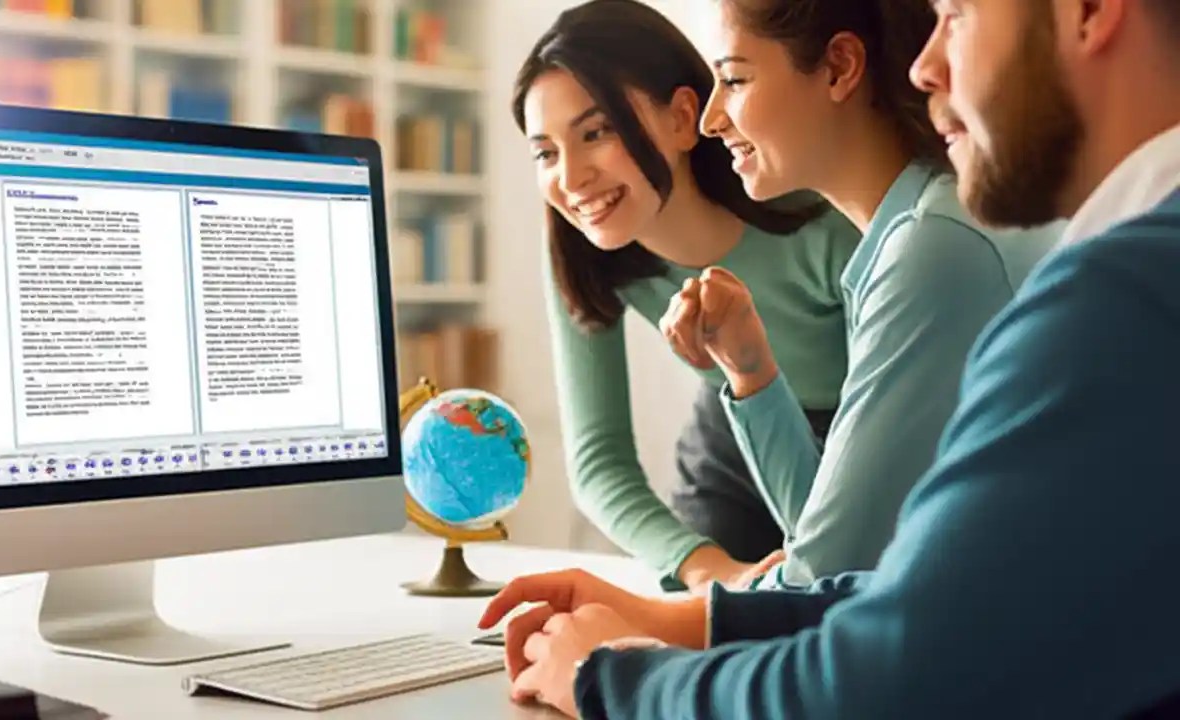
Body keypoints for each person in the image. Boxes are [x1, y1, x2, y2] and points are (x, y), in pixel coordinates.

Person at [479, 0, 1180, 716]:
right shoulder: (1077, 267)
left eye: (959, 15)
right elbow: (942, 588)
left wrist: (606, 680)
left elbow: (872, 667)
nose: (924, 67)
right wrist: (685, 613)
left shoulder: (1068, 285)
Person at [655, 0, 1056, 589]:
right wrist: (753, 374)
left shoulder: (934, 248)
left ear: (840, 67)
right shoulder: (910, 233)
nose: (712, 118)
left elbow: (828, 568)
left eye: (735, 79)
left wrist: (643, 624)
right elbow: (829, 538)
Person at [518, 0, 861, 591]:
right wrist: (705, 568)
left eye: (596, 132)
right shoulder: (583, 258)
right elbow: (599, 463)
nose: (571, 179)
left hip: (862, 432)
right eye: (546, 152)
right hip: (730, 445)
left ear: (683, 119)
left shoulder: (819, 221)